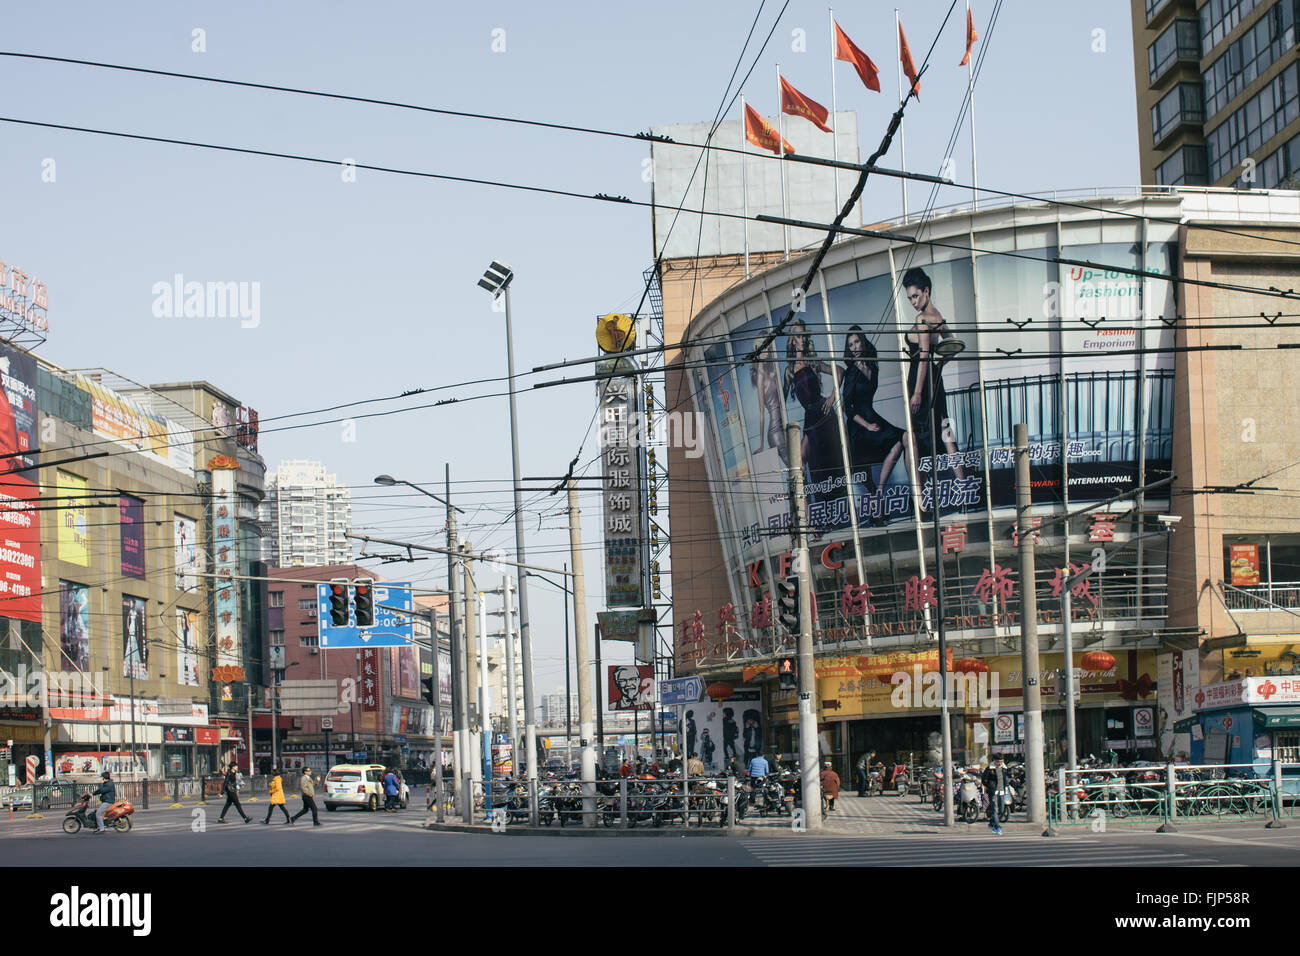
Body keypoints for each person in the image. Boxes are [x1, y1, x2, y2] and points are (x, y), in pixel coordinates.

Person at [902, 267, 966, 482]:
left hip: (920, 380)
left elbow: (923, 356)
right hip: (935, 377)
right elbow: (954, 344)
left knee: (917, 435)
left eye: (915, 296)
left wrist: (917, 392)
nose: (913, 302)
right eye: (910, 298)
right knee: (944, 429)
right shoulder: (938, 316)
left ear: (926, 291)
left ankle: (922, 492)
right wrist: (939, 364)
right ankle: (963, 481)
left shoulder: (922, 319)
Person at [841, 326, 908, 499]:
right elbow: (848, 408)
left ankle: (880, 490)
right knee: (865, 472)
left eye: (856, 342)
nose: (854, 347)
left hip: (871, 415)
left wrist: (871, 422)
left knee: (902, 440)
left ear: (863, 342)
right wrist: (868, 426)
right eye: (850, 345)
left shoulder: (873, 366)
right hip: (858, 425)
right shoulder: (851, 372)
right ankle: (876, 503)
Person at [783, 319, 843, 504]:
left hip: (824, 414)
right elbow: (781, 397)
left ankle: (837, 505)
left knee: (831, 461)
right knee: (802, 461)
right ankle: (808, 512)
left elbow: (839, 371)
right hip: (810, 417)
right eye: (798, 336)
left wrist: (833, 397)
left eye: (803, 335)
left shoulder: (813, 361)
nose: (801, 339)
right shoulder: (789, 370)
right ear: (793, 340)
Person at [749, 344, 789, 464]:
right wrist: (761, 444)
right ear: (757, 352)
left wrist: (787, 381)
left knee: (797, 469)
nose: (766, 351)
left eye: (767, 348)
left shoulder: (772, 373)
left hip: (783, 426)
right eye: (763, 348)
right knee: (795, 468)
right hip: (775, 431)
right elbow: (761, 414)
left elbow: (781, 401)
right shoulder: (760, 377)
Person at [981, 756, 1006, 835]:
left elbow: (1005, 779)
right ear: (995, 761)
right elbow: (984, 780)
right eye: (998, 761)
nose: (1000, 763)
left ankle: (992, 823)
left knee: (1001, 809)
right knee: (995, 809)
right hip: (993, 792)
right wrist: (990, 786)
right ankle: (997, 827)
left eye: (1001, 761)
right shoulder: (989, 769)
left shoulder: (1004, 768)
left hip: (1001, 791)